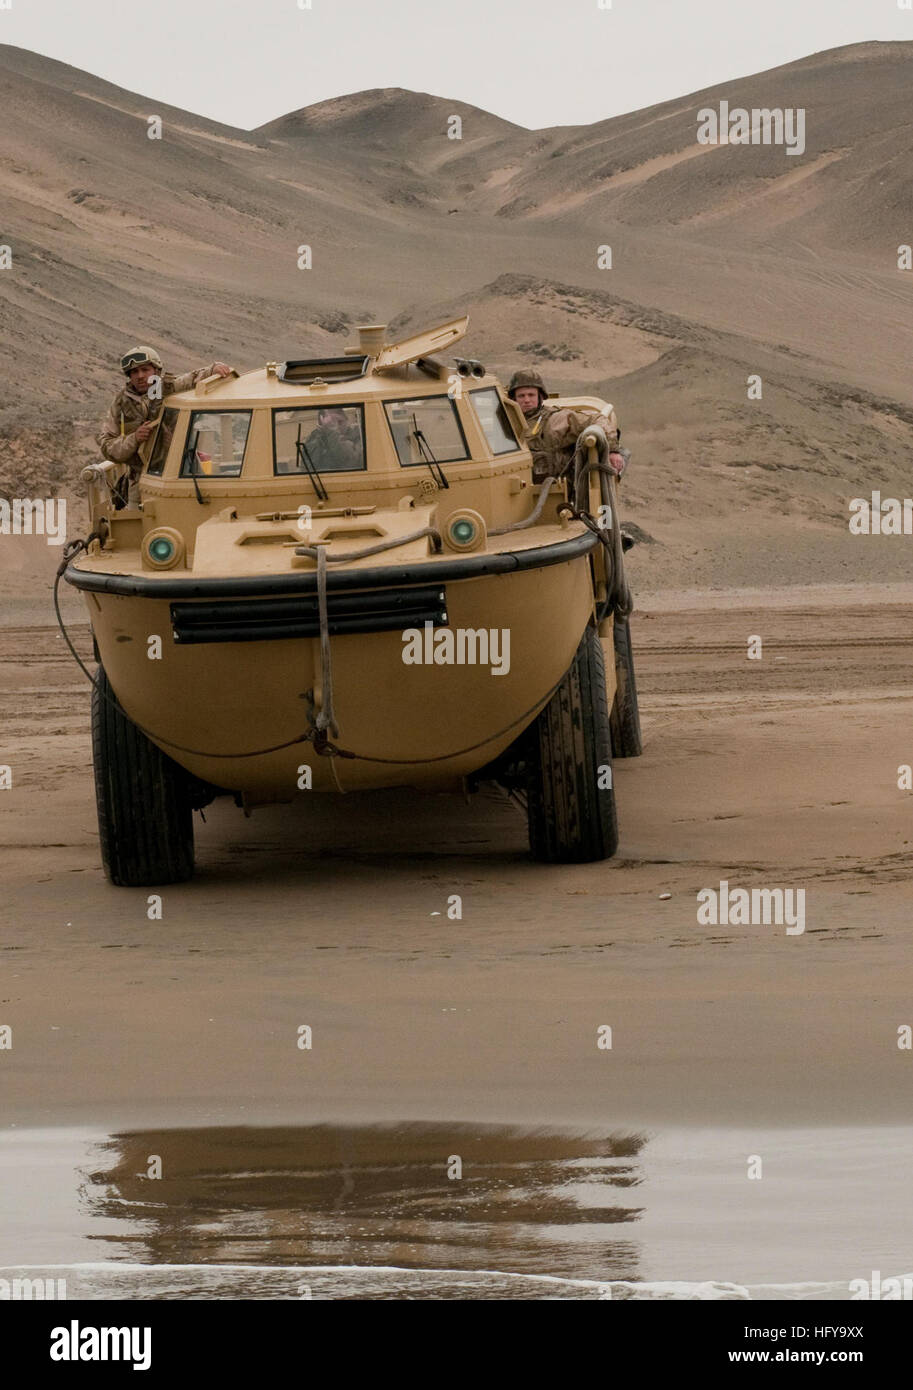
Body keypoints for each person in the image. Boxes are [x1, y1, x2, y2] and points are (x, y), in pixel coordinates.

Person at [96, 347, 233, 478]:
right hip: (140, 476)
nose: (140, 376)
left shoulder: (169, 388)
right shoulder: (121, 403)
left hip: (179, 471)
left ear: (156, 371)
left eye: (145, 370)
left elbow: (192, 378)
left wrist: (214, 368)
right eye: (134, 372)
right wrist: (135, 438)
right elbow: (107, 447)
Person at [507, 367, 628, 485]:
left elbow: (597, 420)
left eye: (531, 395)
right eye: (521, 396)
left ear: (540, 397)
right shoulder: (505, 423)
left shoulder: (556, 420)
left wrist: (612, 450)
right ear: (513, 399)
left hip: (553, 490)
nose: (526, 400)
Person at [302, 407, 362, 472]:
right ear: (321, 425)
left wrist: (331, 434)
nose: (337, 427)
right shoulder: (313, 441)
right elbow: (308, 470)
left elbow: (349, 464)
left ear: (347, 420)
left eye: (340, 422)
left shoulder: (358, 437)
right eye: (331, 423)